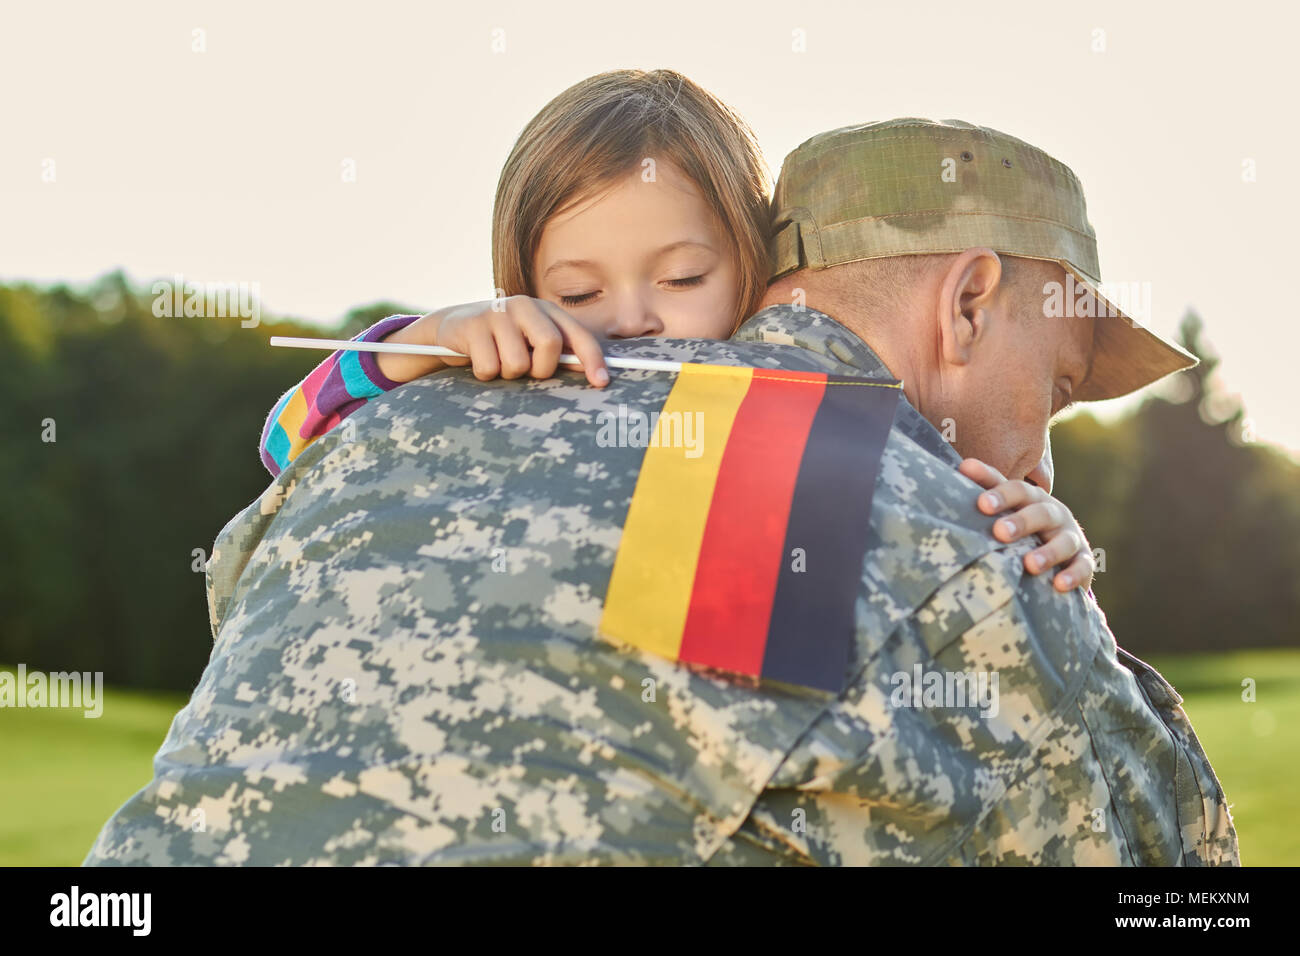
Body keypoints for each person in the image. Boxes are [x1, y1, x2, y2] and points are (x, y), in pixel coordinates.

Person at [83, 115, 1239, 866]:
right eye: (1063, 379)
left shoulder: (399, 411)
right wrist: (1041, 598)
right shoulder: (907, 525)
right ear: (969, 301)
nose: (1043, 462)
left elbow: (248, 574)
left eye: (681, 278)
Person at [260, 70, 1096, 593]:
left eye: (682, 278)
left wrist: (1049, 539)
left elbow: (921, 524)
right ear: (521, 292)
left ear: (751, 274)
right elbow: (287, 445)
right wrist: (420, 347)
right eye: (579, 291)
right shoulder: (506, 371)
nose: (631, 316)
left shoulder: (784, 417)